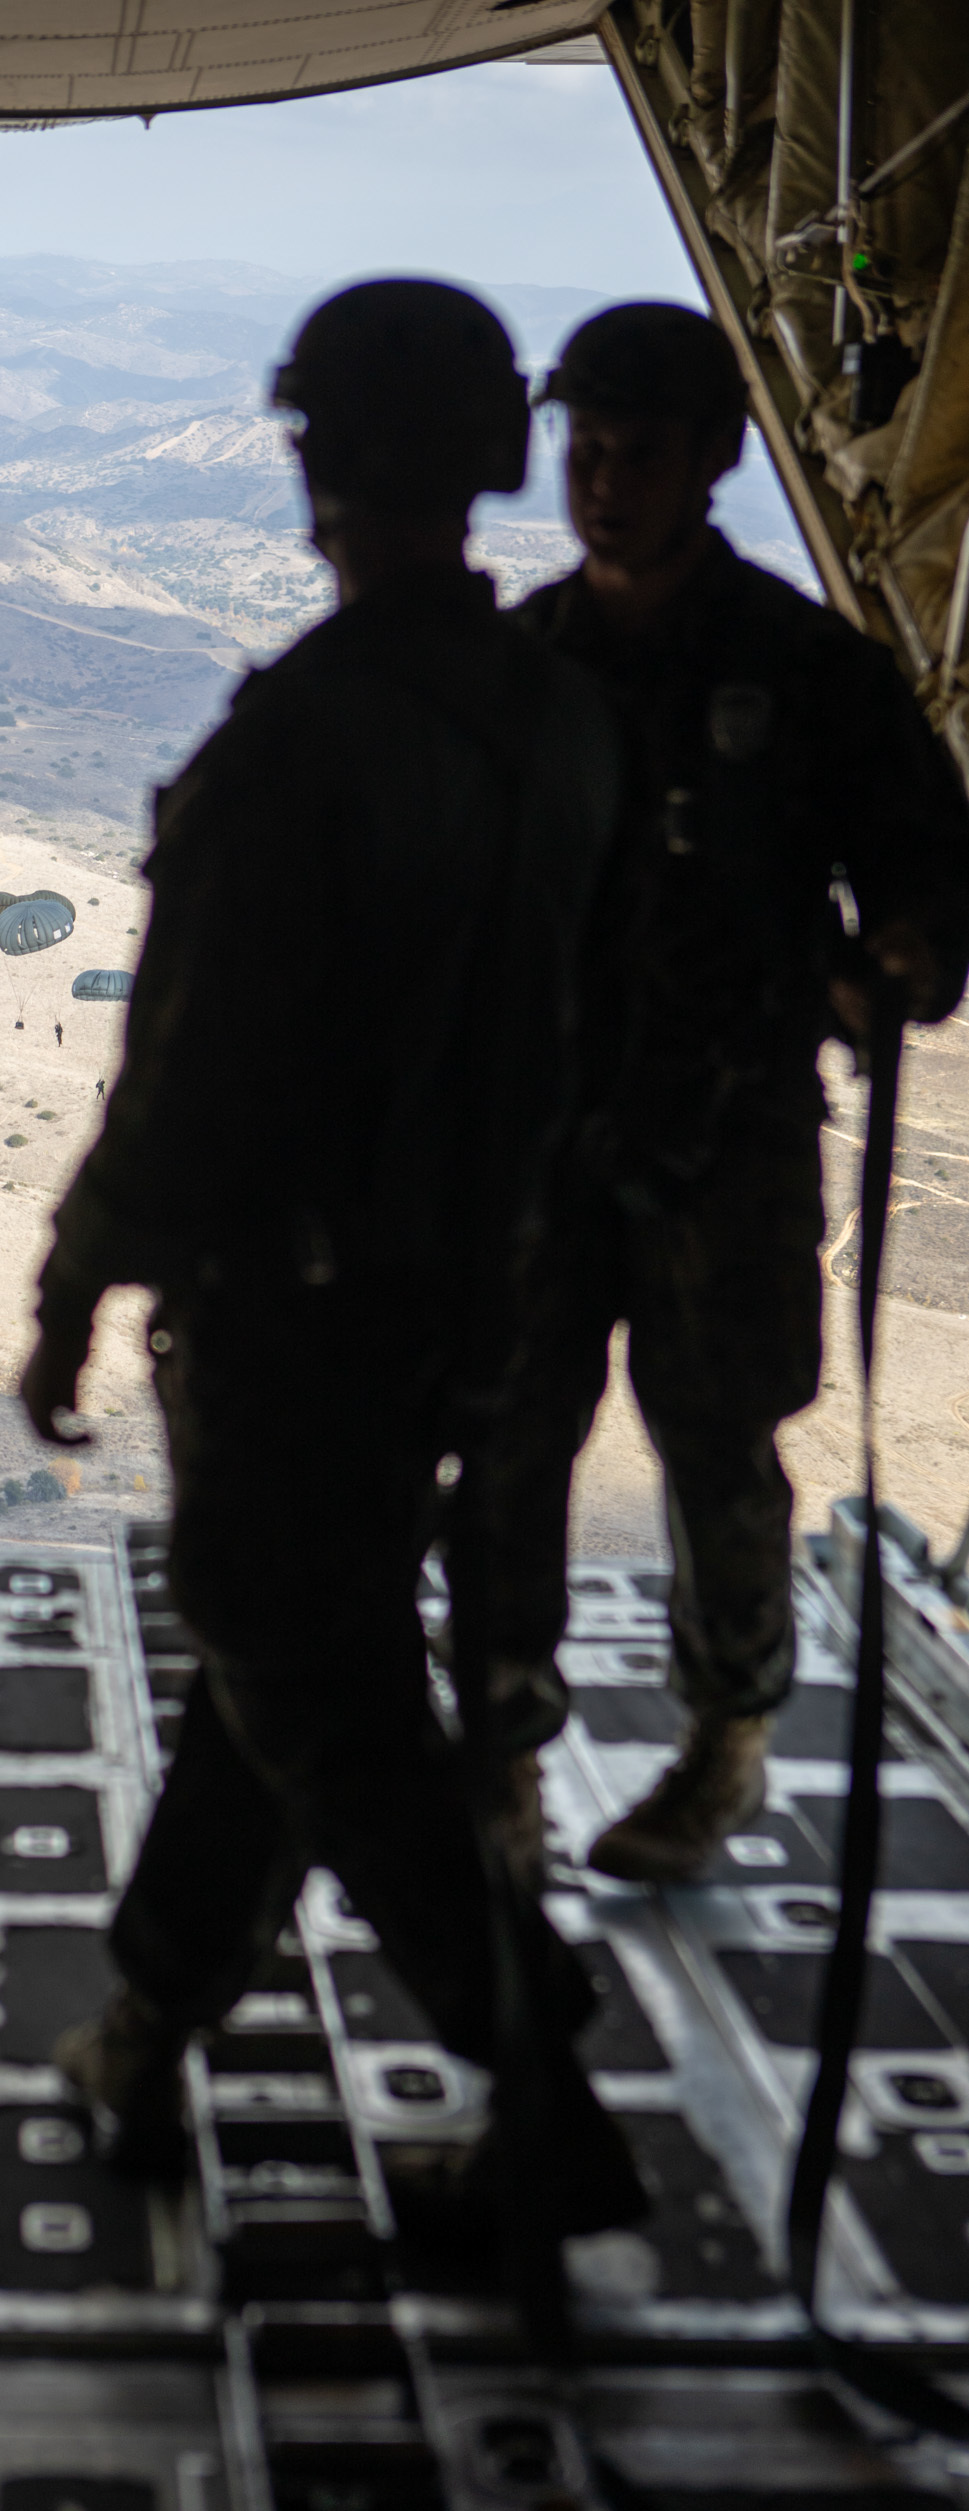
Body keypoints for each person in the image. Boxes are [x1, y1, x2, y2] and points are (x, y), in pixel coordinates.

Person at [19, 279, 642, 2240]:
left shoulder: (303, 740)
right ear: (493, 464)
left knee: (311, 1681)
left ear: (314, 471)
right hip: (478, 1302)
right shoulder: (561, 717)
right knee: (289, 1658)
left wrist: (75, 1283)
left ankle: (533, 2062)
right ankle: (143, 2021)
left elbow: (193, 1068)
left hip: (299, 1314)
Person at [461, 304, 969, 1883]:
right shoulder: (523, 666)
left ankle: (724, 1747)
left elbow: (930, 885)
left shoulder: (806, 674)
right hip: (540, 1139)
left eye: (637, 456)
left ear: (717, 459)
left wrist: (889, 953)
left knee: (719, 1451)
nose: (601, 485)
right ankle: (501, 1758)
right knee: (505, 1447)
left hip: (727, 1135)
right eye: (583, 453)